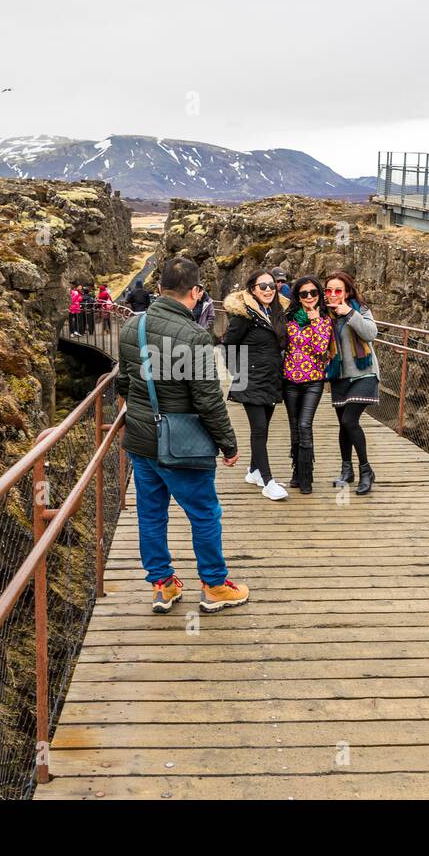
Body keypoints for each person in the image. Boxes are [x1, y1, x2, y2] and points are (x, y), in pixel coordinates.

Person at [116, 256, 250, 614]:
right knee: (204, 513)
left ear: (159, 290)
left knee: (151, 513)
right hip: (183, 445)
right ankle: (215, 585)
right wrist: (228, 442)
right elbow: (207, 398)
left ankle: (163, 585)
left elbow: (124, 383)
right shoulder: (193, 336)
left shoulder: (132, 327)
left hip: (142, 442)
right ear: (196, 292)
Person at [221, 270, 289, 500]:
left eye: (271, 285)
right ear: (252, 290)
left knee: (264, 428)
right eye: (262, 286)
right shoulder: (244, 316)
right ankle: (268, 482)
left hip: (271, 379)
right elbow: (228, 345)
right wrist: (238, 374)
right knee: (259, 429)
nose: (268, 289)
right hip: (250, 380)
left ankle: (253, 471)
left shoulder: (277, 312)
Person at [323, 270, 379, 495]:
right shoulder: (322, 313)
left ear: (347, 292)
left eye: (338, 290)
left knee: (349, 420)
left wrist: (349, 314)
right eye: (329, 290)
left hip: (364, 373)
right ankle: (347, 470)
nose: (333, 294)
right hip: (339, 376)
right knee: (343, 425)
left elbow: (370, 334)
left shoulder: (359, 309)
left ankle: (366, 470)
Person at [281, 275, 332, 495]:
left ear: (319, 295)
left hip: (313, 380)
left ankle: (306, 476)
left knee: (304, 425)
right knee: (294, 428)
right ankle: (296, 473)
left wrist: (315, 320)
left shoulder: (325, 319)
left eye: (313, 293)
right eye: (304, 294)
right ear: (298, 297)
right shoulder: (290, 318)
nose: (309, 297)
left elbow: (321, 349)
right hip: (290, 380)